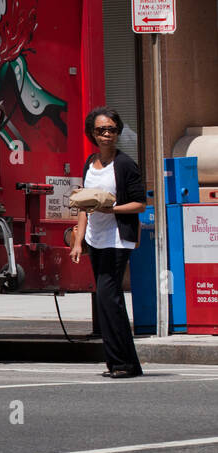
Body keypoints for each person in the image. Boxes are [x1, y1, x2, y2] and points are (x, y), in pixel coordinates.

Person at [70, 107, 147, 378]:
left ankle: (122, 363)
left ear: (118, 132)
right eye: (101, 130)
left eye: (112, 129)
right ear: (92, 133)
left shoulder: (125, 164)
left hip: (117, 239)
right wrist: (79, 241)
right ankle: (125, 364)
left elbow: (140, 204)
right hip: (96, 239)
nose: (106, 134)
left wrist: (111, 211)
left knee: (108, 298)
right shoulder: (90, 164)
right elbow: (83, 205)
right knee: (108, 301)